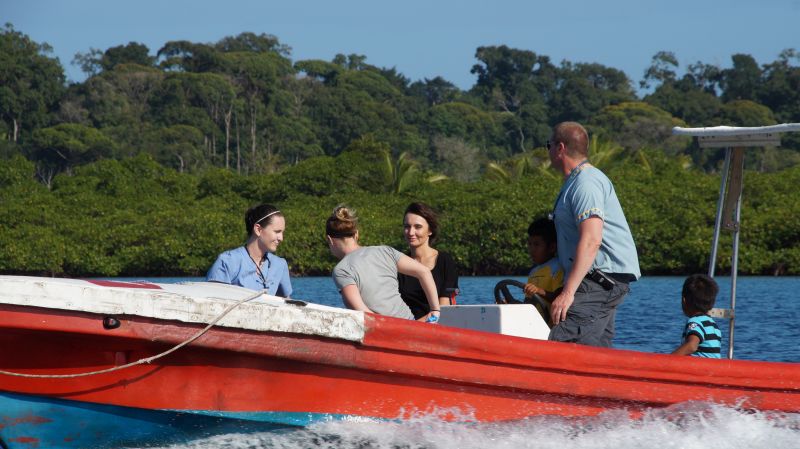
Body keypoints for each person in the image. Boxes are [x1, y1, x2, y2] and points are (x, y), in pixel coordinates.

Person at [546, 121, 640, 347]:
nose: (547, 150)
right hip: (598, 280)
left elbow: (591, 239)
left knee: (563, 342)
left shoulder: (586, 183)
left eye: (548, 145)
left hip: (599, 280)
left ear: (560, 148)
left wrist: (568, 293)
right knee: (595, 349)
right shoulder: (575, 182)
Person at [326, 205, 441, 322]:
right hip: (410, 322)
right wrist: (435, 310)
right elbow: (424, 272)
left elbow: (361, 311)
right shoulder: (385, 251)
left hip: (386, 329)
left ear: (329, 240)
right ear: (356, 234)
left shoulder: (341, 270)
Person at [207, 204, 292, 297]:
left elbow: (286, 304)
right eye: (277, 232)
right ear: (258, 229)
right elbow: (212, 300)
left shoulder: (280, 265)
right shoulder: (227, 262)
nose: (281, 238)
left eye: (282, 232)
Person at [398, 202, 459, 319]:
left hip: (433, 327)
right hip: (404, 326)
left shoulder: (445, 261)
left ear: (430, 230)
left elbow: (443, 310)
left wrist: (415, 327)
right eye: (407, 226)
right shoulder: (399, 263)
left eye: (418, 227)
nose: (411, 232)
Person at [523, 217, 564, 326]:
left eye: (536, 244)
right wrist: (510, 305)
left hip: (550, 328)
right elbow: (528, 304)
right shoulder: (533, 272)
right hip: (533, 325)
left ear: (552, 247)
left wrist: (538, 291)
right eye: (530, 244)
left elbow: (560, 298)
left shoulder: (558, 268)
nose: (531, 249)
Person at [672, 274, 722, 358]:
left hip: (700, 369)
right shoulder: (713, 324)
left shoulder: (695, 322)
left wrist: (668, 359)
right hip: (713, 368)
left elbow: (692, 346)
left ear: (684, 301)